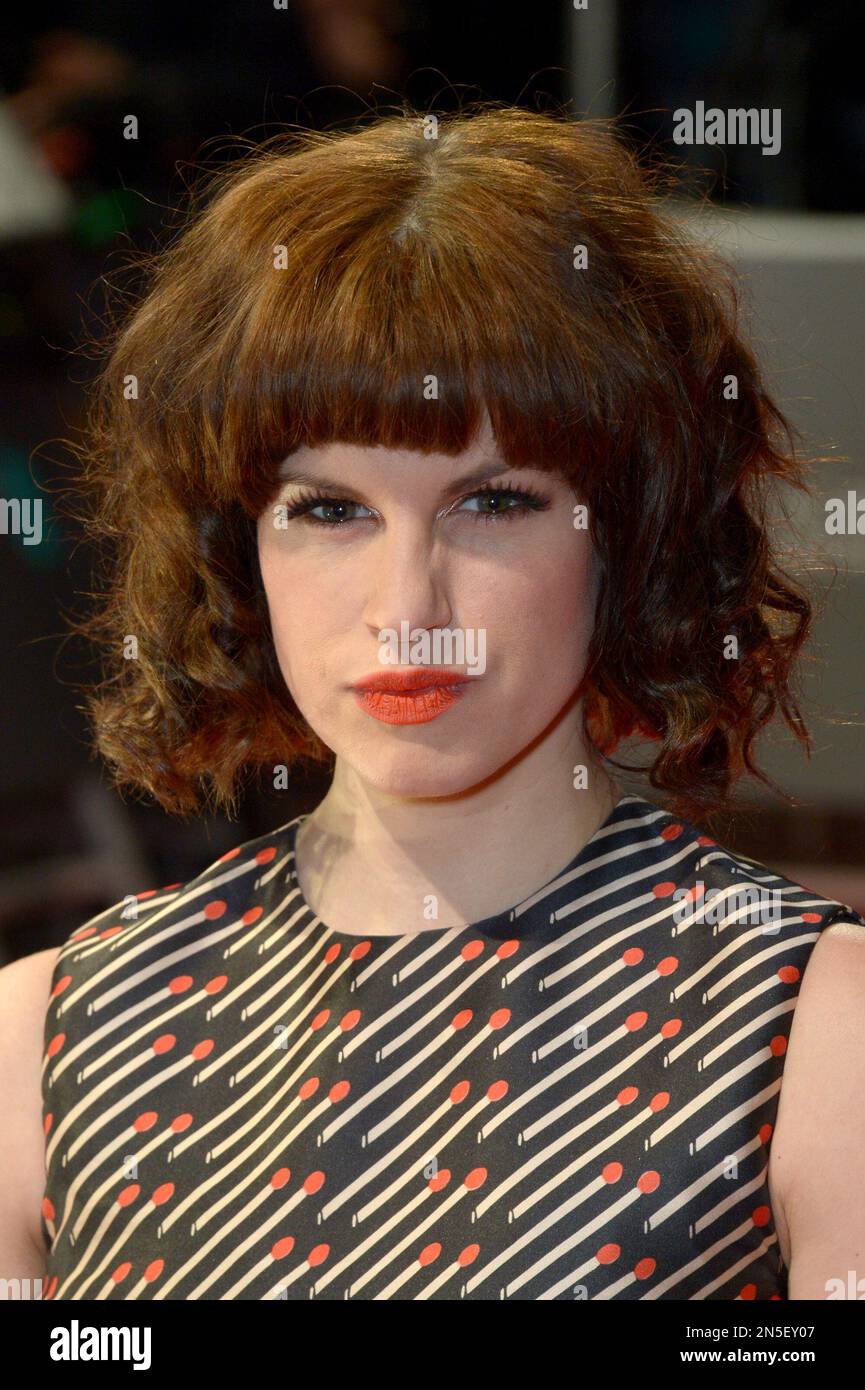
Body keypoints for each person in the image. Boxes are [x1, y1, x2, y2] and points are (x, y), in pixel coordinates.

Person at [1, 105, 864, 1302]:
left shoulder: (813, 1036)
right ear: (234, 550)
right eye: (328, 510)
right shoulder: (53, 1036)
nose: (407, 602)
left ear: (629, 534)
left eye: (494, 503)